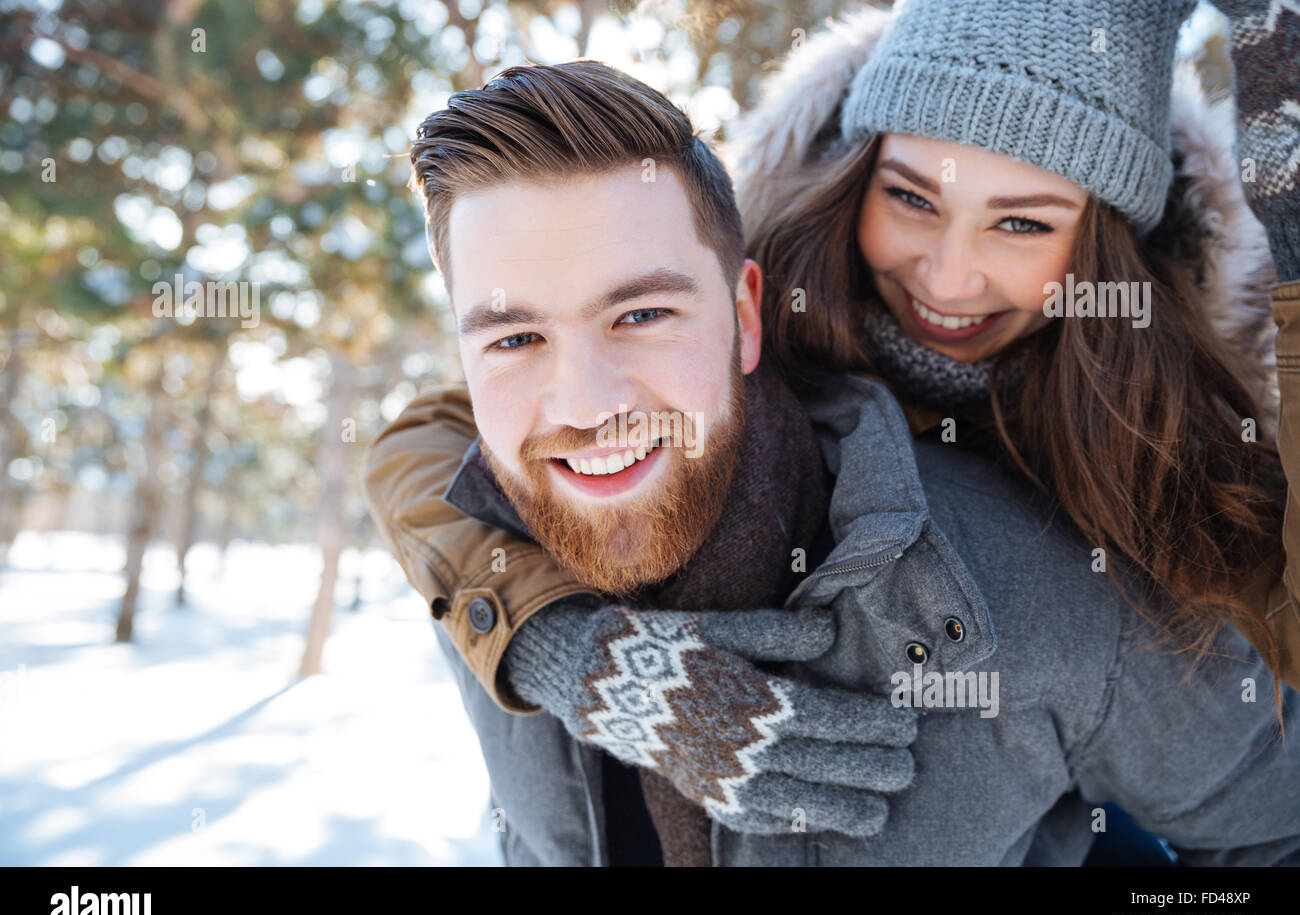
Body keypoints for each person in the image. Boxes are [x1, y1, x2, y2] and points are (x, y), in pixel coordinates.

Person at [366, 53, 1300, 866]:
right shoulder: (493, 541)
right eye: (514, 337)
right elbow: (414, 445)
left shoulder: (1080, 575)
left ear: (741, 316)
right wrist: (558, 646)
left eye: (641, 315)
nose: (946, 278)